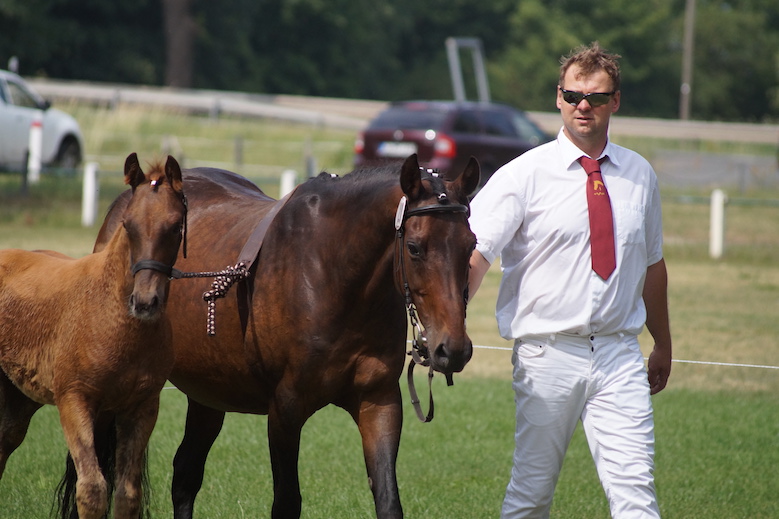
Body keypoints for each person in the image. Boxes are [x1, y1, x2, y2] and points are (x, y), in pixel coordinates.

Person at [467, 42, 672, 518]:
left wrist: (662, 342)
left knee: (636, 493)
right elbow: (476, 254)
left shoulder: (640, 174)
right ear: (557, 98)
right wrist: (447, 321)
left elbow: (652, 265)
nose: (584, 106)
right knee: (532, 494)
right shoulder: (522, 175)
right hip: (547, 353)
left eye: (596, 98)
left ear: (614, 102)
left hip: (621, 354)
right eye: (574, 95)